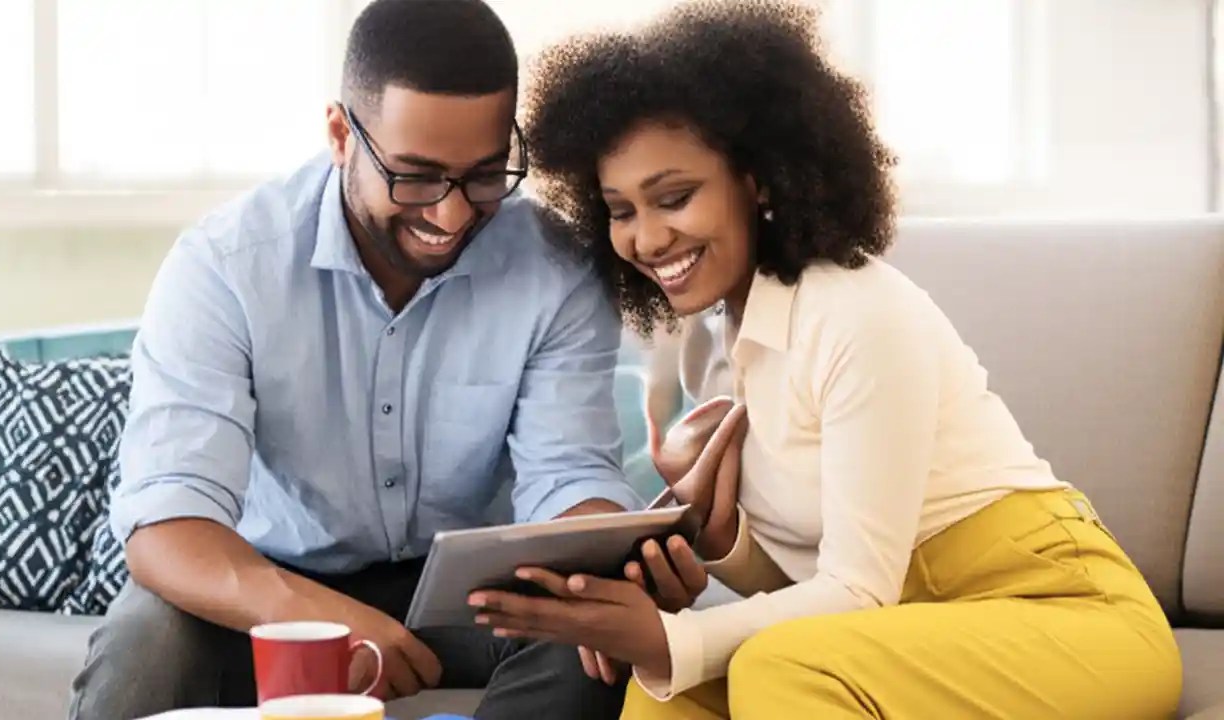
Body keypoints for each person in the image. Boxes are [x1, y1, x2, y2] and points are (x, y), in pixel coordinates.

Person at [467, 2, 1184, 718]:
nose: (647, 238)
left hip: (1066, 614)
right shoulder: (709, 350)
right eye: (620, 209)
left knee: (777, 670)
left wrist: (671, 639)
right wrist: (721, 542)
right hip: (905, 632)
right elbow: (816, 591)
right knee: (668, 699)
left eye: (675, 197)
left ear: (759, 178)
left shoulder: (853, 311)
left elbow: (858, 592)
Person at [66, 1, 643, 719]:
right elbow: (167, 522)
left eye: (485, 174)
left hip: (472, 593)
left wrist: (600, 569)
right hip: (269, 582)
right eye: (417, 177)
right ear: (341, 134)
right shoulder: (224, 267)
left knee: (587, 646)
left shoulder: (555, 268)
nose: (452, 214)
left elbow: (570, 478)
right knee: (144, 648)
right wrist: (318, 616)